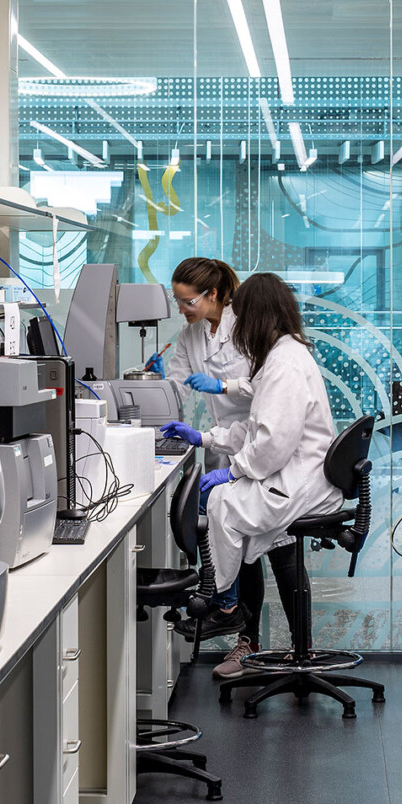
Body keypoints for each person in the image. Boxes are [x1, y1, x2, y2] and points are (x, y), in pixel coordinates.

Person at [193, 272, 342, 679]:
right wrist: (206, 437)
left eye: (239, 319)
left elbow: (272, 443)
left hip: (300, 480)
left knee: (222, 505)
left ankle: (225, 606)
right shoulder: (280, 356)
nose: (237, 329)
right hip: (292, 473)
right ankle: (233, 610)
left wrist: (235, 472)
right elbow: (255, 429)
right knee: (231, 510)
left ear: (254, 317)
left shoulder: (284, 364)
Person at [155, 257, 255, 642]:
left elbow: (262, 383)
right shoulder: (189, 335)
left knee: (260, 552)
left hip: (259, 440)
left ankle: (243, 626)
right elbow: (177, 384)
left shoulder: (246, 325)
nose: (181, 310)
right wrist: (154, 389)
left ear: (212, 294)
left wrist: (224, 385)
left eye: (188, 302)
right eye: (178, 301)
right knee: (218, 524)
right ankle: (229, 616)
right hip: (224, 440)